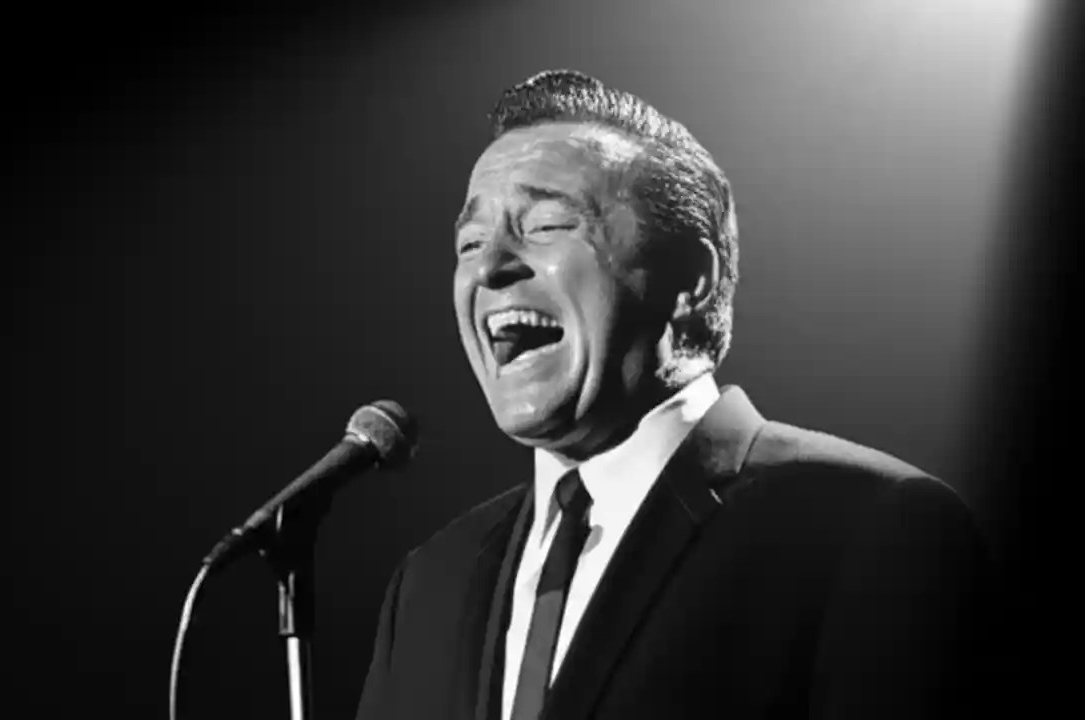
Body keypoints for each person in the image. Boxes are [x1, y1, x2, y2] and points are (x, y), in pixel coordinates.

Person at [354, 69, 999, 720]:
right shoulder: (431, 584)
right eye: (469, 241)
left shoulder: (873, 531)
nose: (490, 268)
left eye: (546, 225)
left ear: (690, 278)